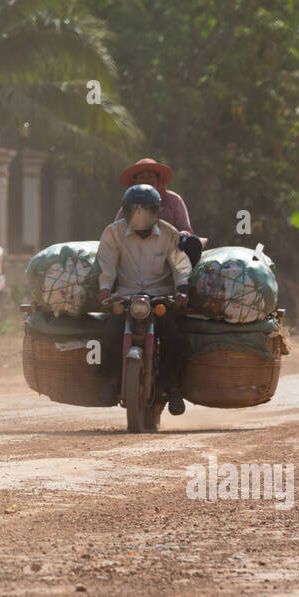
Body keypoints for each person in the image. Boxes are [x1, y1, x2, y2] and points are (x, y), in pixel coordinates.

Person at [96, 185, 194, 413]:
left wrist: (182, 289)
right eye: (135, 211)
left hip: (159, 296)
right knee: (109, 333)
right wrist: (104, 289)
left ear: (156, 211)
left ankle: (172, 385)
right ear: (126, 211)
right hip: (124, 295)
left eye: (147, 211)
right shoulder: (113, 233)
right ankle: (111, 380)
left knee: (174, 337)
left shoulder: (170, 233)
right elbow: (107, 264)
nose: (141, 217)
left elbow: (180, 265)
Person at [117, 158, 203, 267]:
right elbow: (117, 232)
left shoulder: (173, 200)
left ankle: (186, 280)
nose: (146, 180)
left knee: (192, 242)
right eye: (142, 177)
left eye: (150, 176)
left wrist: (180, 235)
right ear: (135, 182)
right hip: (138, 251)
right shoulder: (129, 203)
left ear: (158, 180)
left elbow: (185, 228)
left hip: (171, 249)